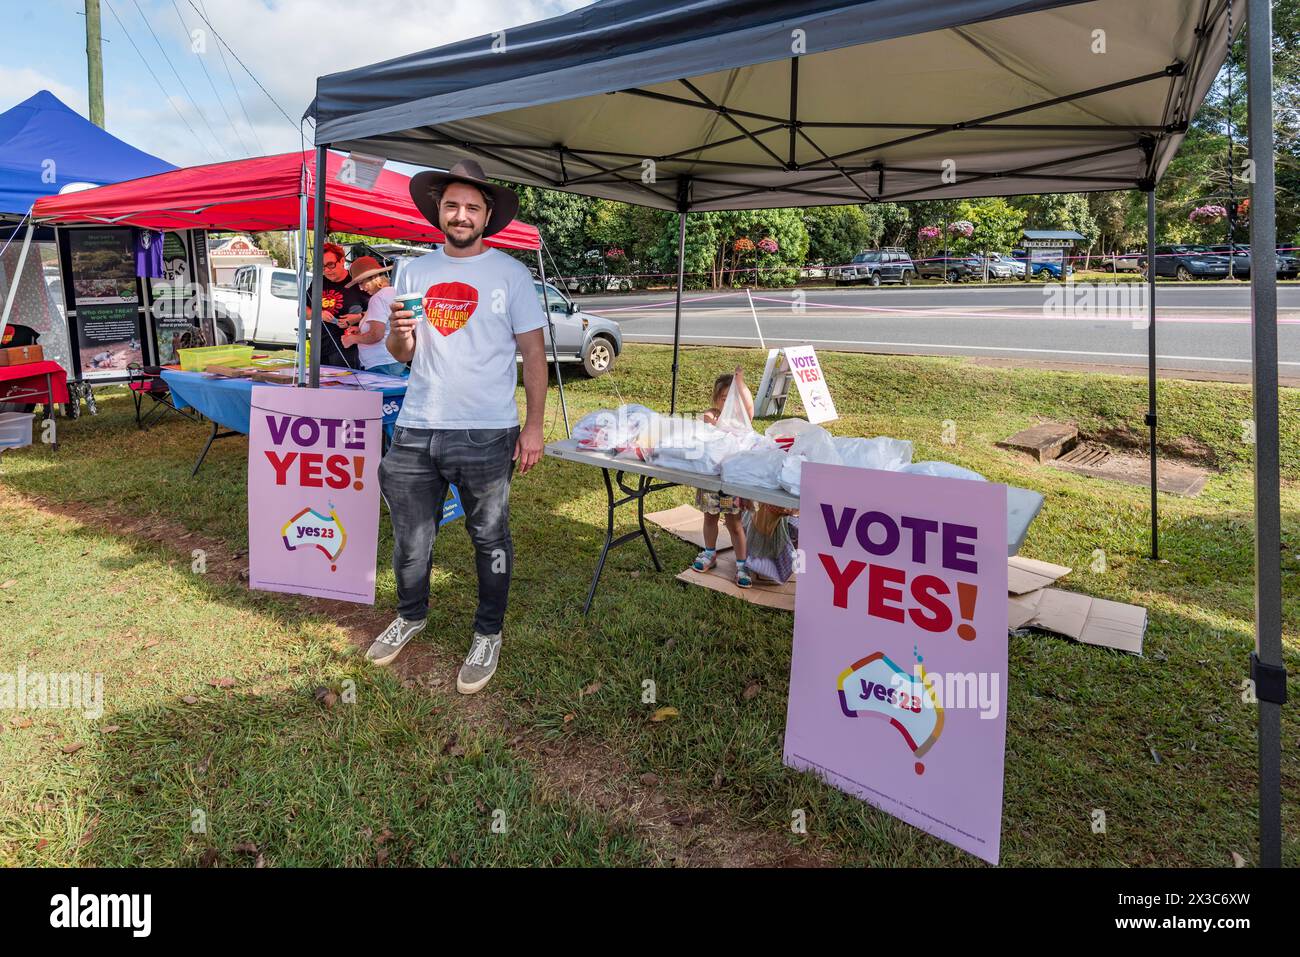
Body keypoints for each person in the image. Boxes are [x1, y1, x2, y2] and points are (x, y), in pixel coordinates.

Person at [367, 159, 548, 696]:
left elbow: (534, 356)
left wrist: (533, 427)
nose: (461, 214)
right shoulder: (413, 272)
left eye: (472, 206)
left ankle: (488, 632)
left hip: (487, 430)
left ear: (487, 214)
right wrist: (399, 334)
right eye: (452, 205)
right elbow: (404, 352)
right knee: (409, 535)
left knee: (489, 535)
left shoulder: (511, 274)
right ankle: (410, 613)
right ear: (438, 212)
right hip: (417, 426)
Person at [692, 366, 755, 588]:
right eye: (724, 399)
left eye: (733, 399)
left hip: (731, 483)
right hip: (712, 481)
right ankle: (710, 553)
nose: (729, 404)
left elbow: (748, 406)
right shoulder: (711, 416)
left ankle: (741, 564)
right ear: (716, 399)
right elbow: (709, 423)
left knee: (734, 523)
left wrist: (741, 381)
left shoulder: (743, 420)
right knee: (710, 517)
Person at [340, 256, 407, 377]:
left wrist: (352, 339)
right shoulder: (392, 292)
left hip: (382, 364)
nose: (360, 288)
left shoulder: (378, 298)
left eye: (362, 283)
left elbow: (376, 335)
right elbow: (386, 326)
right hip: (391, 360)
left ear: (374, 278)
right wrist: (360, 330)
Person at [309, 242, 365, 369]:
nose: (327, 270)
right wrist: (318, 314)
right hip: (320, 347)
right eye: (322, 267)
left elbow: (377, 312)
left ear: (342, 261)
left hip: (348, 349)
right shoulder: (319, 282)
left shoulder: (357, 281)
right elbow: (302, 311)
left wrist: (357, 317)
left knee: (346, 386)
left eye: (331, 265)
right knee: (319, 387)